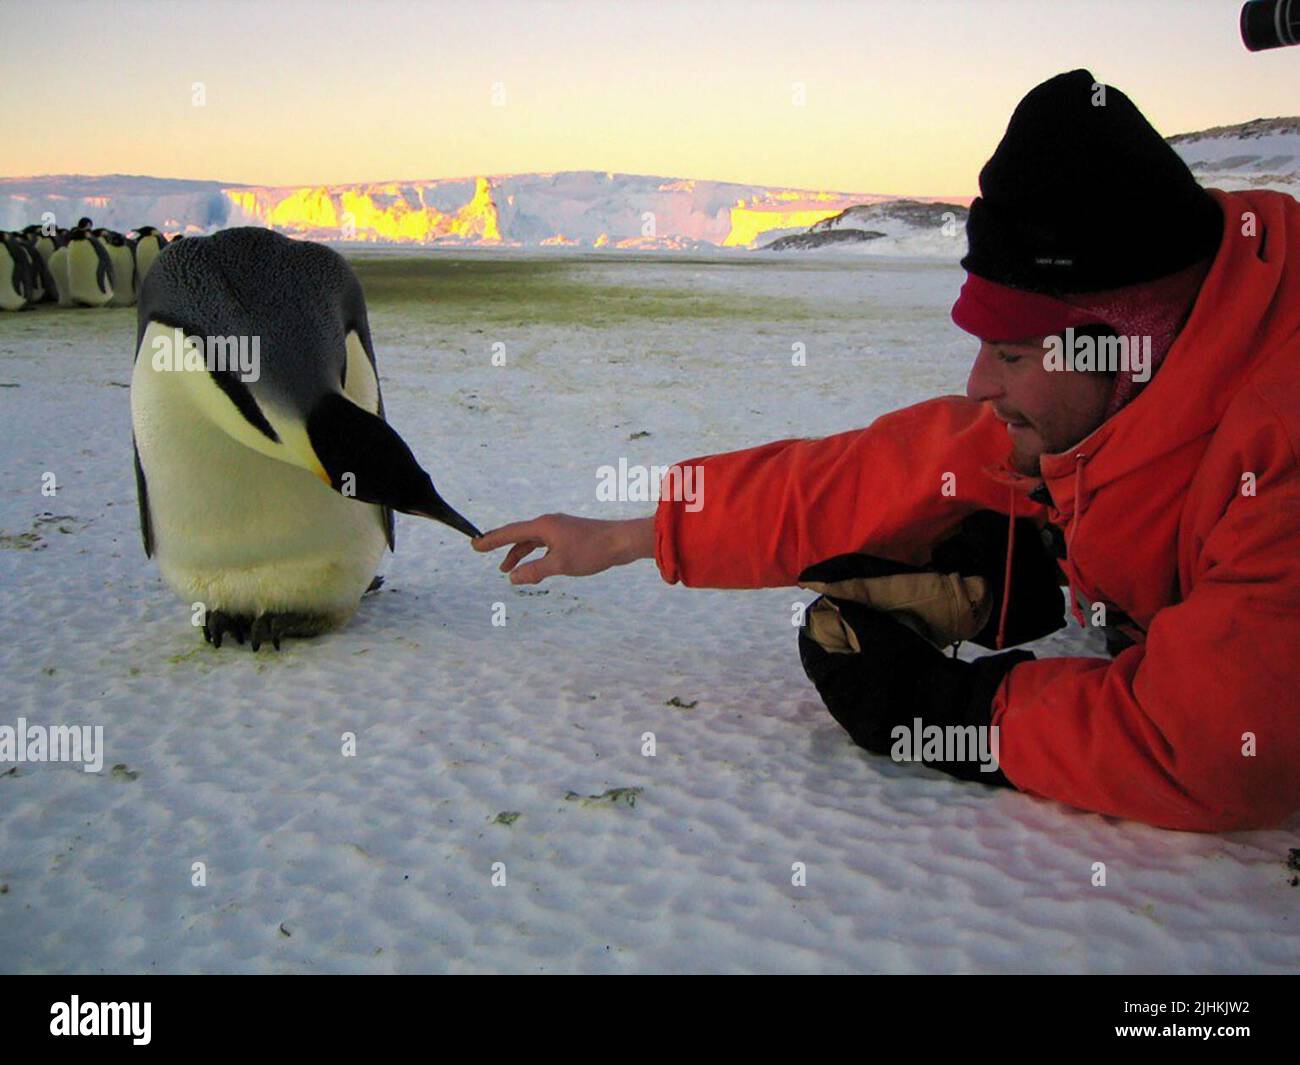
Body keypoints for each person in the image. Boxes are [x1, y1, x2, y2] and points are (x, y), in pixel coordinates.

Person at [473, 69, 1300, 833]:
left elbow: (1217, 748)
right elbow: (862, 480)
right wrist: (630, 536)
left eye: (1010, 353)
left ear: (1118, 343)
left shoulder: (1281, 446)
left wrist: (958, 718)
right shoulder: (1142, 373)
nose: (979, 385)